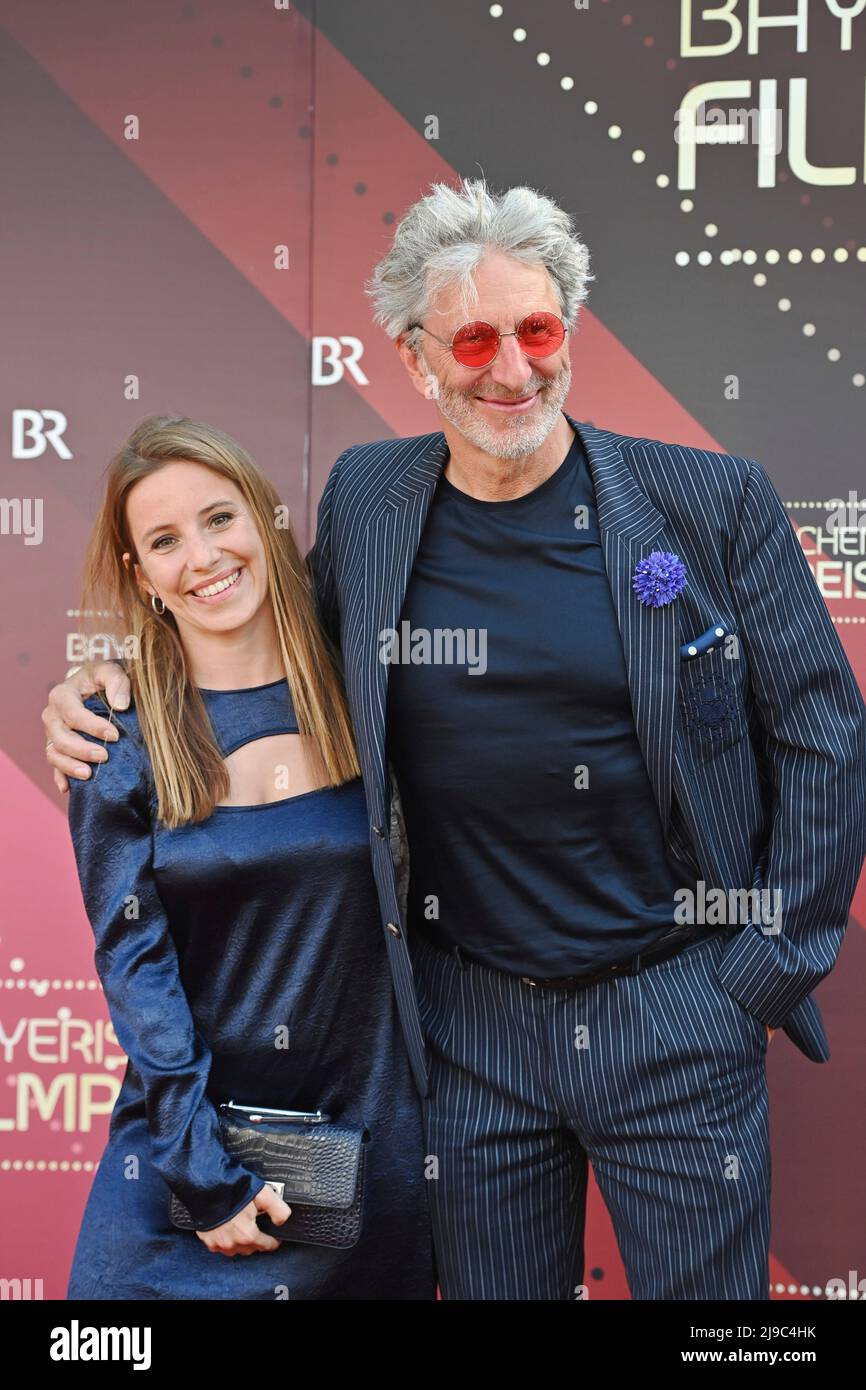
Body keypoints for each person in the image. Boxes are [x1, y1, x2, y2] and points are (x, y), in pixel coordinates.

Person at [46, 179, 866, 1301]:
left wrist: (757, 973)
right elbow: (279, 656)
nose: (511, 369)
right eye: (473, 337)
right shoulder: (370, 500)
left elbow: (821, 731)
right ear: (413, 355)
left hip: (675, 1002)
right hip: (464, 1031)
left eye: (536, 330)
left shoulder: (706, 503)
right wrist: (115, 688)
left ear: (567, 330)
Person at [56, 415, 435, 1300]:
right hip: (184, 1180)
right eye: (163, 539)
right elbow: (135, 970)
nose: (202, 556)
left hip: (369, 1168)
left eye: (219, 518)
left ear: (267, 521)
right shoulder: (115, 739)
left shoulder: (373, 700)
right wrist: (207, 1176)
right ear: (140, 575)